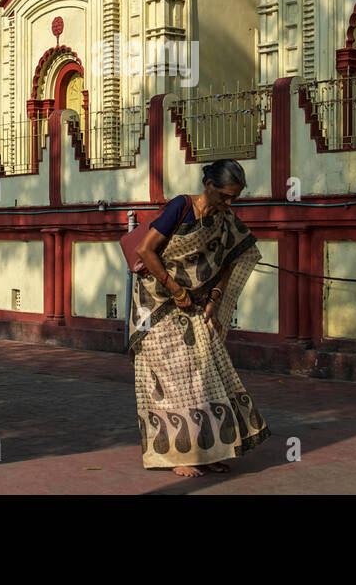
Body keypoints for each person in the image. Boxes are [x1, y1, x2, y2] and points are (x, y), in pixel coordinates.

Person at [130, 159, 269, 477]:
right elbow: (145, 250)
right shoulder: (180, 207)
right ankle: (177, 455)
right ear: (208, 185)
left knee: (203, 375)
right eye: (225, 195)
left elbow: (233, 257)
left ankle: (207, 452)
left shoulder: (224, 218)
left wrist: (214, 298)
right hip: (156, 305)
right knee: (173, 379)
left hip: (193, 304)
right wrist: (175, 289)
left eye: (234, 197)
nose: (229, 202)